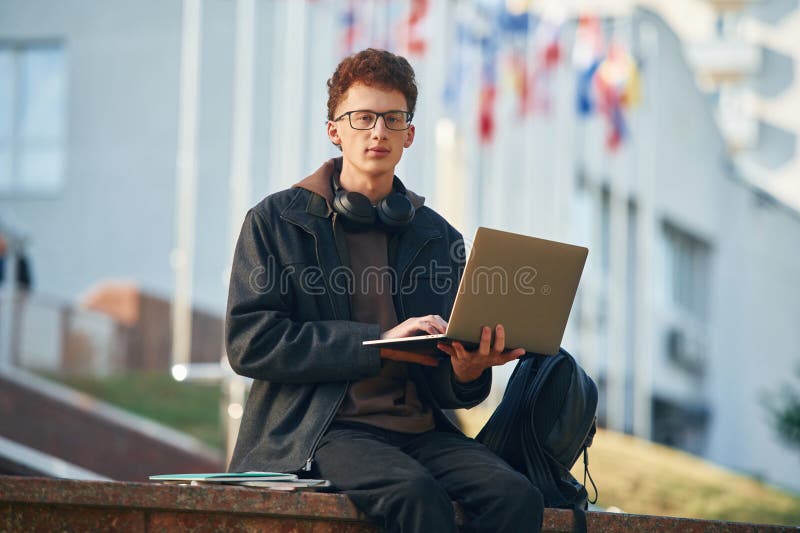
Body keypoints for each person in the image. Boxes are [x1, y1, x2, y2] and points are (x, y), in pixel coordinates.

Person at [225, 48, 544, 532]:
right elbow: (252, 343)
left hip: (421, 429)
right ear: (334, 130)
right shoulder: (275, 222)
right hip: (322, 429)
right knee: (417, 497)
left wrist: (468, 369)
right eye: (363, 117)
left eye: (393, 119)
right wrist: (377, 344)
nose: (378, 131)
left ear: (409, 134)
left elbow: (449, 383)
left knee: (516, 496)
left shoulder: (439, 238)